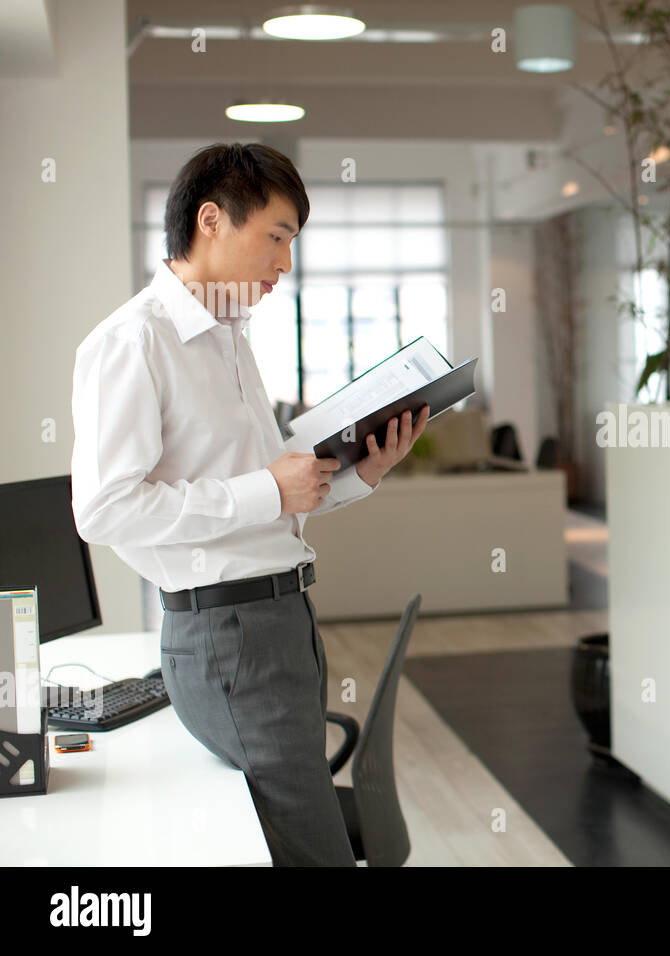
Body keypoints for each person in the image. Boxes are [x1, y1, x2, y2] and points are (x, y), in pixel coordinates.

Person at [70, 142, 430, 866]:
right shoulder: (133, 342)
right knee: (314, 852)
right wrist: (267, 487)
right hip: (229, 634)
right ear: (211, 220)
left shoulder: (229, 337)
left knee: (292, 842)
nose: (284, 264)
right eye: (276, 237)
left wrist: (360, 473)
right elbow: (104, 509)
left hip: (279, 623)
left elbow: (265, 499)